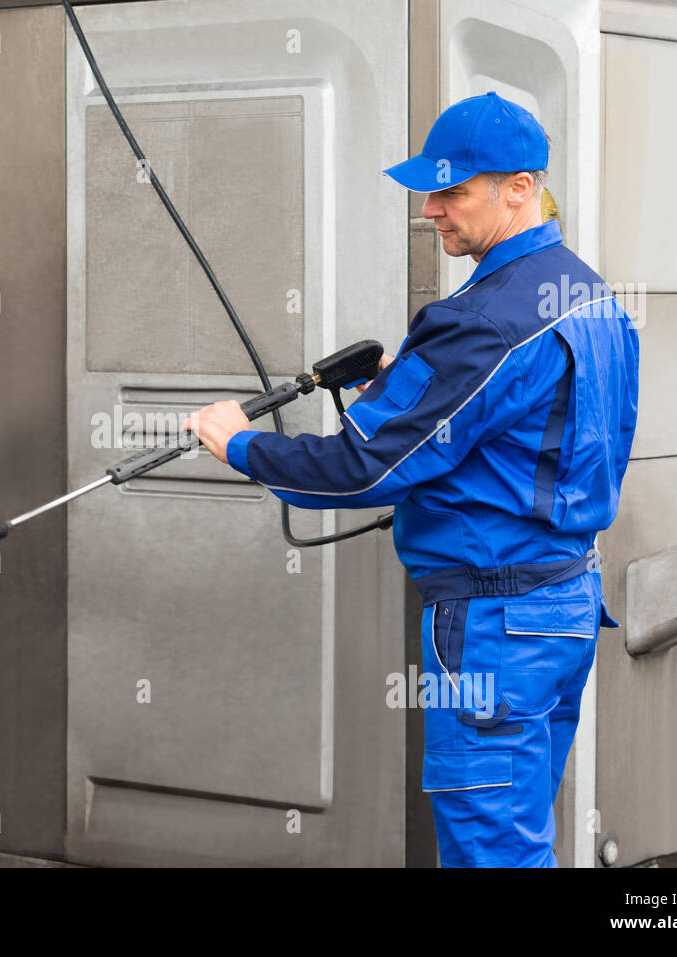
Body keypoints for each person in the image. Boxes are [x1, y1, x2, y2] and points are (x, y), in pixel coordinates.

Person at [183, 91, 639, 867]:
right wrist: (415, 394)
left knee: (490, 853)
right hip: (565, 607)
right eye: (430, 190)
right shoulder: (591, 296)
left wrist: (241, 447)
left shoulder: (483, 318)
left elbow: (363, 468)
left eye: (453, 190)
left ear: (520, 188)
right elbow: (558, 437)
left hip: (494, 624)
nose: (431, 209)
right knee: (521, 837)